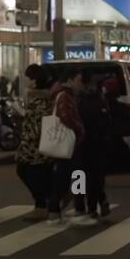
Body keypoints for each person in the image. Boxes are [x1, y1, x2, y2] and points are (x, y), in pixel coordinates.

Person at [70, 73, 110, 225]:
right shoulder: (100, 101)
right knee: (94, 177)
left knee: (79, 174)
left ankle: (80, 206)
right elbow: (106, 124)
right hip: (95, 143)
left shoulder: (76, 100)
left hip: (79, 143)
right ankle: (93, 206)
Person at [17, 64, 56, 223]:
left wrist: (22, 115)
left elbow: (36, 123)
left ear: (33, 80)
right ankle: (49, 202)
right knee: (40, 174)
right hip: (37, 144)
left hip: (34, 145)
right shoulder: (43, 98)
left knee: (28, 171)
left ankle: (43, 204)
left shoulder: (38, 99)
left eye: (27, 76)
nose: (25, 79)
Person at [46, 67, 85, 225]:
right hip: (69, 141)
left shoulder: (63, 94)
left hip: (67, 142)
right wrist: (79, 128)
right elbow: (65, 116)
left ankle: (58, 210)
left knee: (65, 176)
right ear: (70, 80)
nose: (80, 84)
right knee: (75, 175)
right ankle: (76, 209)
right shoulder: (65, 95)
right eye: (78, 80)